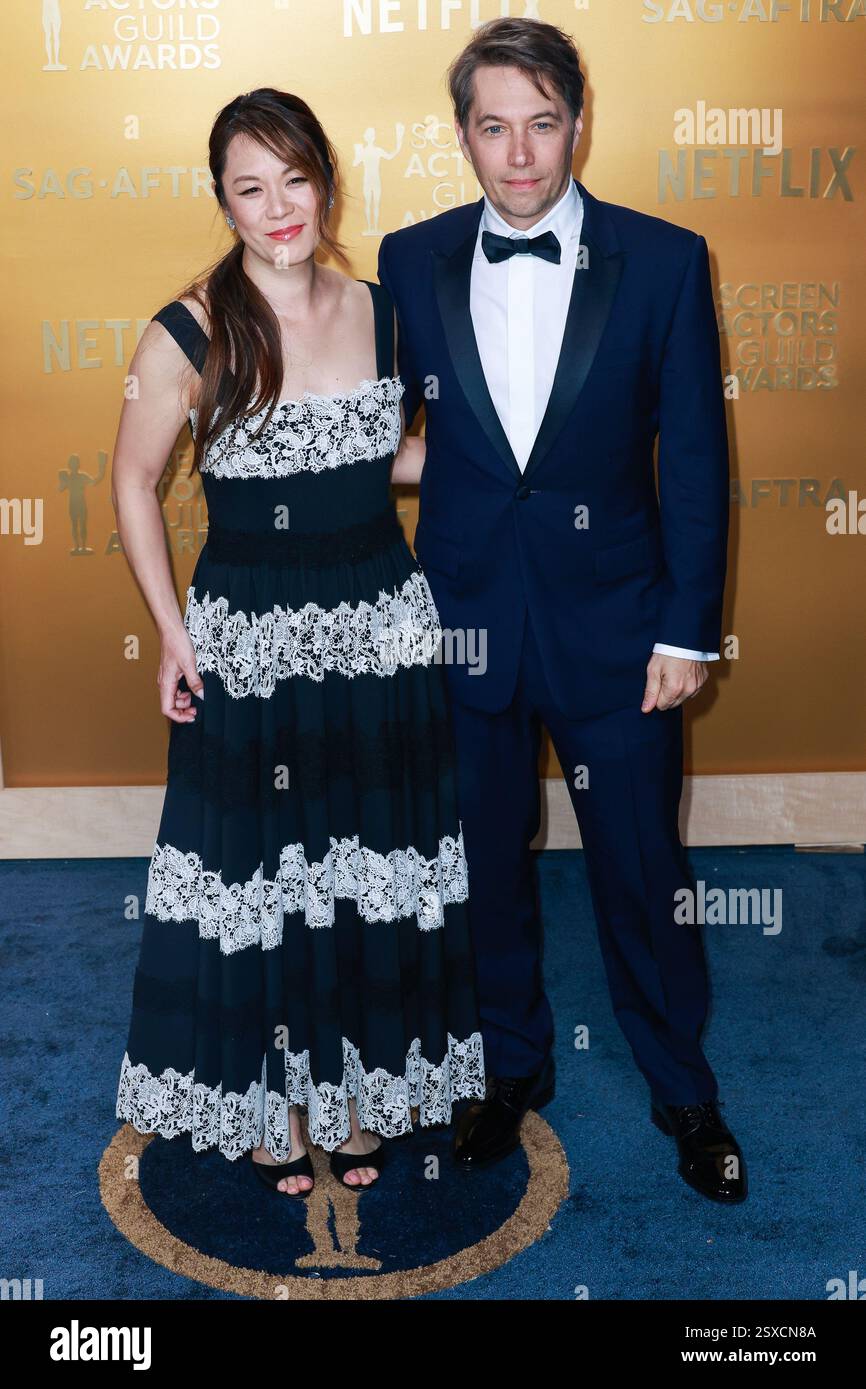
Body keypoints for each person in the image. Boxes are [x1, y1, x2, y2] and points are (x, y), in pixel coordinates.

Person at [377, 18, 747, 1203]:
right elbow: (381, 428)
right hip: (465, 624)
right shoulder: (407, 258)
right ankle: (507, 1068)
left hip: (621, 633)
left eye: (542, 123)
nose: (520, 153)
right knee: (484, 864)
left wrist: (686, 629)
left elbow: (693, 462)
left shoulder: (665, 258)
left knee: (640, 867)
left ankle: (681, 1085)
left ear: (577, 123)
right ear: (462, 135)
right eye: (494, 126)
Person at [110, 88, 485, 1199]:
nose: (278, 208)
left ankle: (361, 1089)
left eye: (294, 178)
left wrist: (526, 460)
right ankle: (276, 1099)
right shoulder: (186, 329)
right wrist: (173, 637)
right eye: (249, 188)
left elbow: (384, 460)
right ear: (221, 201)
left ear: (325, 175)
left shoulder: (381, 306)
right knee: (267, 872)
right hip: (251, 639)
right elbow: (131, 479)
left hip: (379, 626)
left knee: (366, 864)